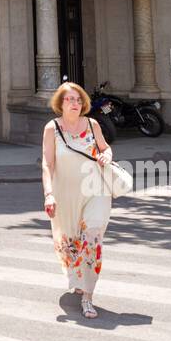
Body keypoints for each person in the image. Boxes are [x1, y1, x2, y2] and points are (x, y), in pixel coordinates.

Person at [41, 80, 114, 319]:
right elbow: (48, 164)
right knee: (72, 243)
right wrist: (49, 194)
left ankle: (88, 297)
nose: (74, 103)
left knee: (92, 237)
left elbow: (106, 148)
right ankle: (79, 277)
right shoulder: (52, 128)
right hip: (66, 195)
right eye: (69, 99)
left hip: (96, 190)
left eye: (78, 99)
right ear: (60, 103)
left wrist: (105, 156)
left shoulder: (92, 124)